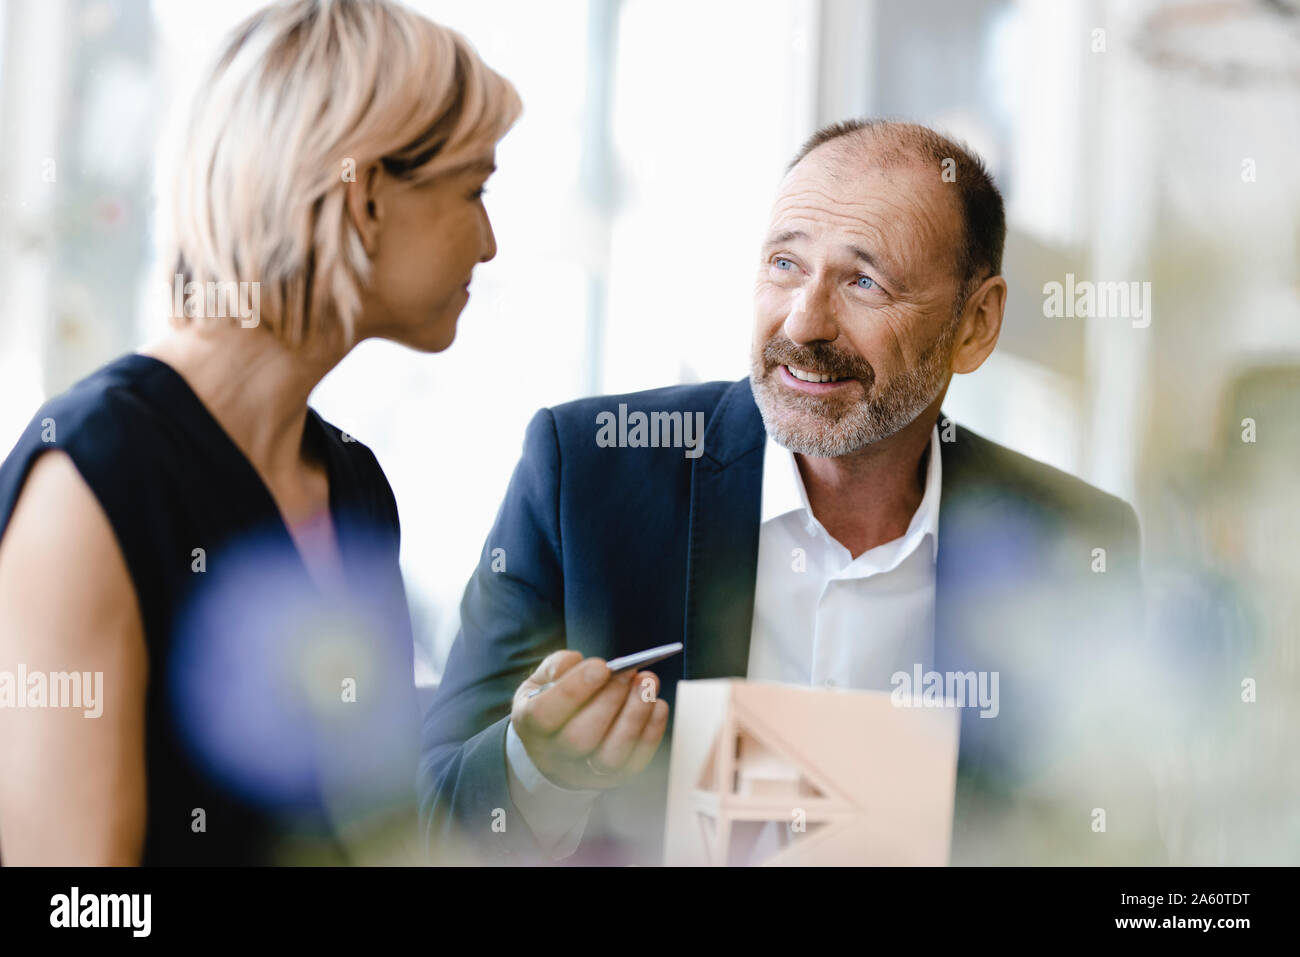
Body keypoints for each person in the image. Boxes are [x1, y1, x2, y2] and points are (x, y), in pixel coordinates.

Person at [420, 119, 1165, 866]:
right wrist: (536, 767)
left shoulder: (1070, 542)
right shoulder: (586, 473)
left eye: (864, 281)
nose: (805, 322)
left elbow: (1126, 857)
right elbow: (423, 816)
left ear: (976, 324)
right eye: (785, 263)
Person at [0, 0, 520, 865]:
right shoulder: (94, 479)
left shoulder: (353, 486)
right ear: (365, 198)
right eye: (474, 188)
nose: (491, 241)